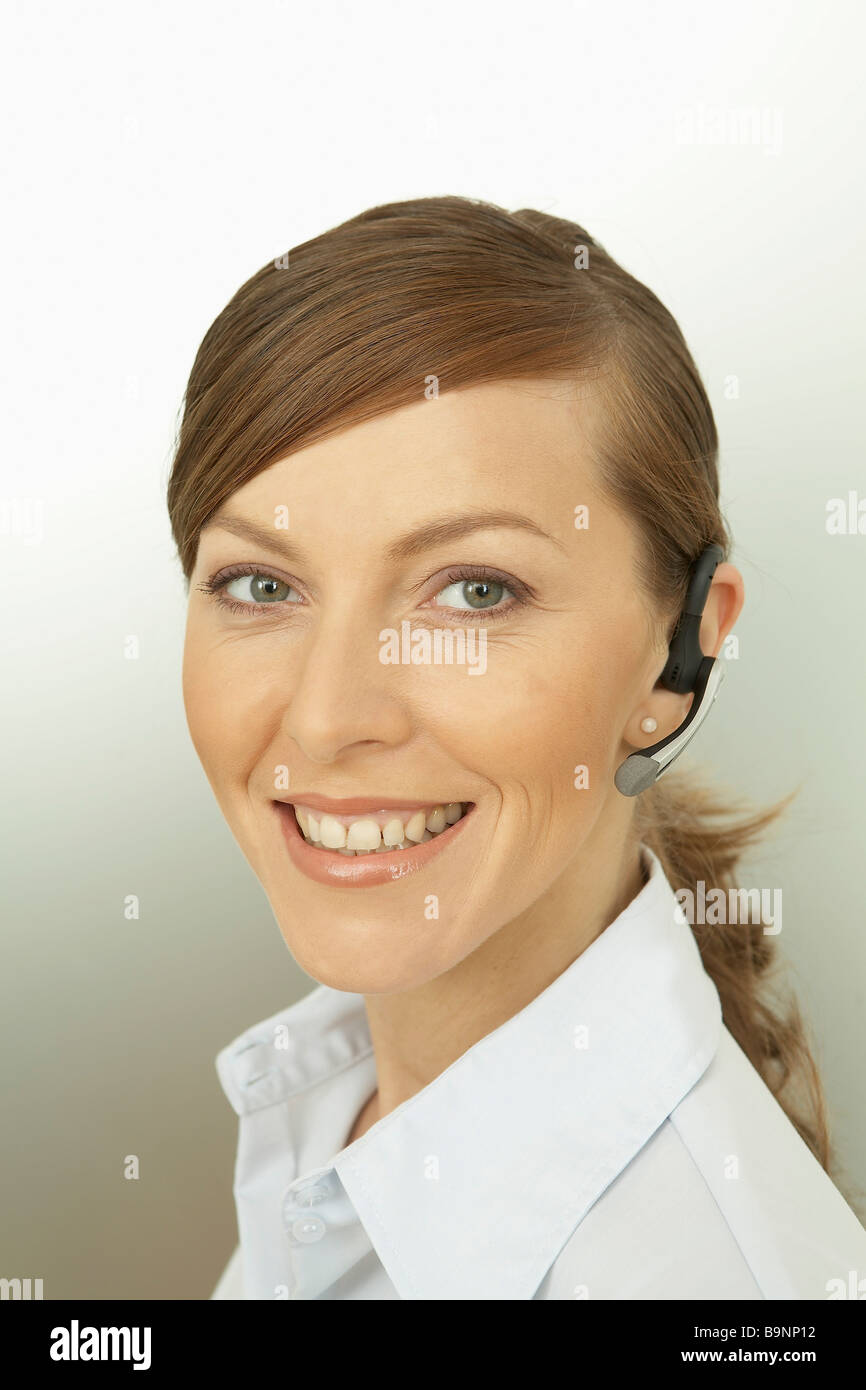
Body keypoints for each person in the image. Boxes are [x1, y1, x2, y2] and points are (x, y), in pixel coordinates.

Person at [167, 196, 866, 1299]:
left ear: (681, 649)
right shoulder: (337, 1114)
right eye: (262, 584)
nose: (323, 716)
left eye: (474, 591)